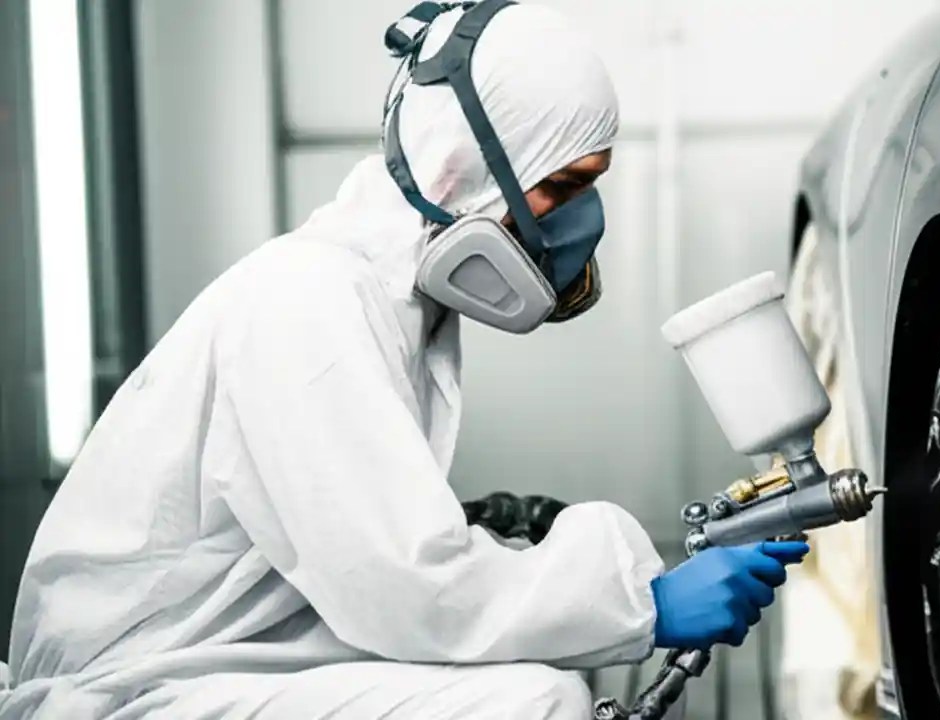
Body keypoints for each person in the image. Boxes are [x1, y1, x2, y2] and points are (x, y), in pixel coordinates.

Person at [0, 2, 806, 718]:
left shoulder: (388, 305)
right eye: (560, 184)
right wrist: (646, 602)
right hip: (132, 693)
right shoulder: (309, 300)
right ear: (463, 166)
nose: (579, 222)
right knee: (537, 703)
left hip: (228, 657)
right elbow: (410, 589)